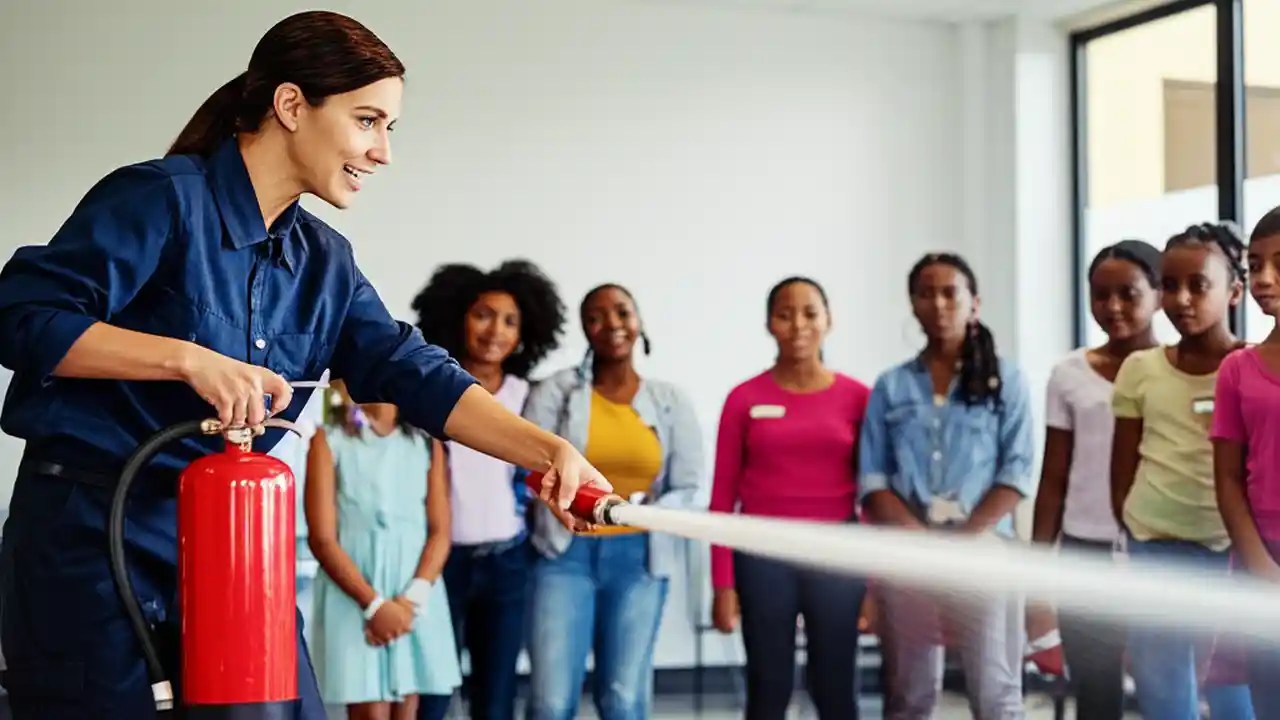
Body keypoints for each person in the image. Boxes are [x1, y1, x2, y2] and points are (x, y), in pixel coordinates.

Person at [0, 11, 606, 720]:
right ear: (292, 105)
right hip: (93, 540)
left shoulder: (326, 263)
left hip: (233, 542)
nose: (382, 151)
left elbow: (416, 372)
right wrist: (186, 360)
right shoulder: (160, 200)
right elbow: (23, 318)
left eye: (389, 129)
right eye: (368, 121)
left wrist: (551, 451)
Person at [857, 252, 1034, 720]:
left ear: (973, 302)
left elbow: (1016, 473)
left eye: (950, 292)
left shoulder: (1007, 380)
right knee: (909, 695)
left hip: (986, 551)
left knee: (995, 693)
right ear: (912, 305)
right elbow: (873, 481)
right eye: (925, 293)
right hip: (910, 553)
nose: (938, 303)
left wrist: (965, 538)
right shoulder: (891, 386)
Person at [522, 284, 705, 720]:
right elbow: (526, 465)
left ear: (638, 320)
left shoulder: (671, 401)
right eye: (595, 317)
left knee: (623, 700)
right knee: (551, 702)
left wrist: (645, 510)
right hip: (564, 556)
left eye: (622, 312)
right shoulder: (556, 392)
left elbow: (691, 487)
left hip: (639, 560)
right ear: (584, 329)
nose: (611, 325)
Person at [707, 276, 870, 719]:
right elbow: (722, 499)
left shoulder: (859, 398)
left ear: (828, 320)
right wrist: (722, 584)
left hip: (838, 555)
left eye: (810, 312)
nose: (798, 323)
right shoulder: (744, 399)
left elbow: (873, 497)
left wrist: (874, 585)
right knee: (768, 685)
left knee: (836, 687)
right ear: (769, 324)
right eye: (784, 313)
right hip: (763, 557)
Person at [1109, 223, 1254, 719]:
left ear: (1235, 292)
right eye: (1169, 285)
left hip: (1231, 551)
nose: (1182, 299)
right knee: (1164, 689)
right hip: (1156, 546)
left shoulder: (1251, 368)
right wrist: (1132, 531)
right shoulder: (1141, 369)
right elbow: (1123, 464)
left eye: (1199, 285)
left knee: (1236, 689)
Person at [411, 260, 566, 720]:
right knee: (432, 693)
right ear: (458, 316)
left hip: (508, 562)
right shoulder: (431, 390)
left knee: (496, 697)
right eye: (483, 314)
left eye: (510, 321)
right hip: (439, 562)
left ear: (526, 333)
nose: (495, 330)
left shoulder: (530, 396)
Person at [1029, 239, 1163, 720]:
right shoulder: (1068, 374)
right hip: (1086, 552)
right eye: (1100, 295)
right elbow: (1054, 477)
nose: (1113, 307)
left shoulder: (1175, 372)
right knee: (1097, 688)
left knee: (1160, 685)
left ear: (1159, 294)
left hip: (1158, 550)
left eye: (1128, 293)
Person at [305, 385, 461, 720]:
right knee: (369, 710)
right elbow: (322, 539)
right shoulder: (328, 441)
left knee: (408, 706)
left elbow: (440, 532)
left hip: (414, 592)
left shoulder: (425, 443)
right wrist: (374, 606)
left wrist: (409, 602)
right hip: (354, 593)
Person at [1211, 206, 1280, 715]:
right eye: (1254, 265)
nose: (1264, 279)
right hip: (1263, 555)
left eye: (1279, 264)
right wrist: (1261, 566)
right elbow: (1228, 480)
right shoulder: (1238, 368)